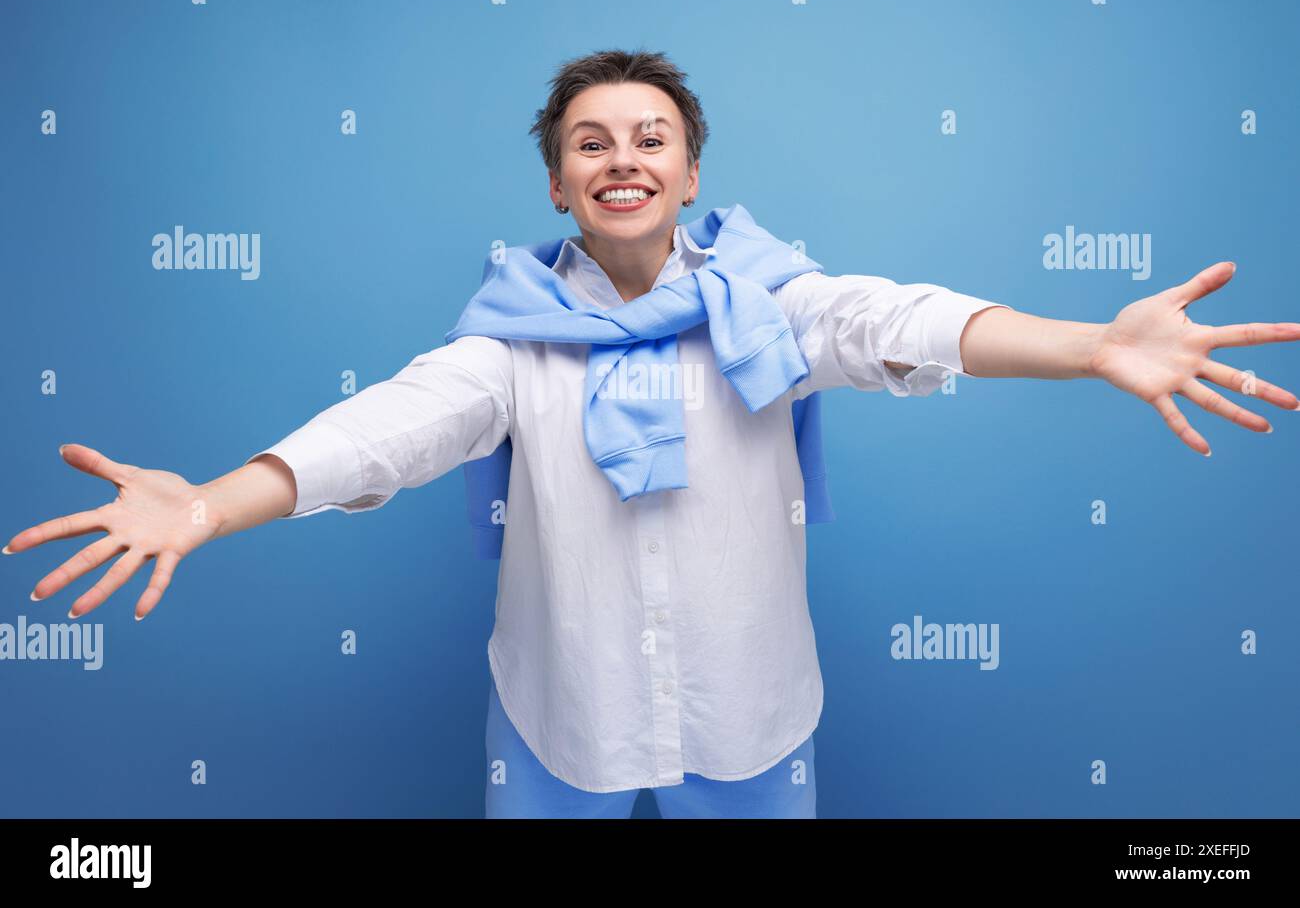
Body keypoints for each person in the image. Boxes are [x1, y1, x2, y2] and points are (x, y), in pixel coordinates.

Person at [5, 49, 1299, 819]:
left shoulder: (773, 307)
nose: (622, 159)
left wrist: (1093, 346)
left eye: (650, 139)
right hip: (556, 720)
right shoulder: (507, 340)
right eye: (590, 144)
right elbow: (383, 430)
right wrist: (209, 505)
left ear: (689, 173)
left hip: (756, 720)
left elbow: (897, 319)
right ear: (559, 183)